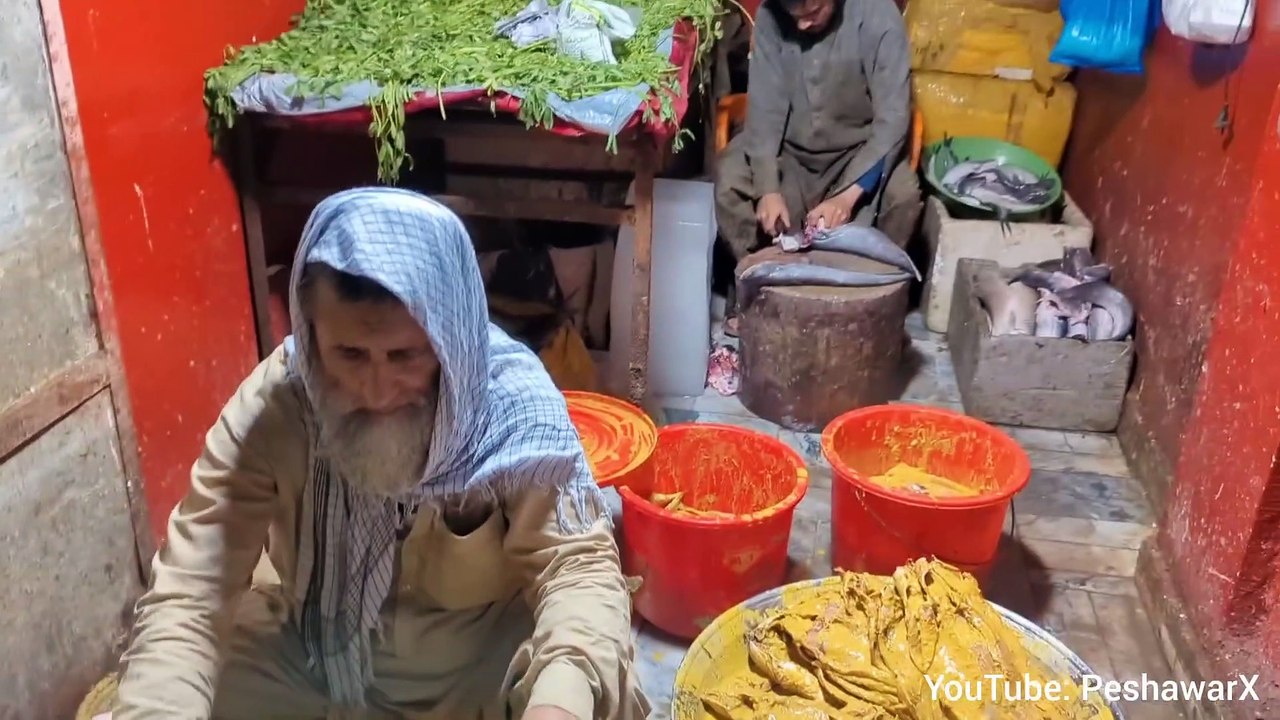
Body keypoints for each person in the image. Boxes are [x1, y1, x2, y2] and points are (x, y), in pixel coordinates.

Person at [109, 188, 650, 719]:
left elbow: (578, 571)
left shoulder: (513, 408)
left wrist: (556, 707)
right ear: (311, 333)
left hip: (472, 674)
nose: (376, 387)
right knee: (160, 689)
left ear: (450, 343)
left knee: (587, 680)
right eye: (349, 353)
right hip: (313, 658)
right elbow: (192, 589)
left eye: (404, 355)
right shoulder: (279, 405)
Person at [714, 0, 920, 335]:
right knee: (729, 178)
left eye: (813, 13)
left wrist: (846, 196)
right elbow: (764, 110)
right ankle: (760, 293)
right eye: (794, 17)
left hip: (858, 156)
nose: (802, 27)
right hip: (791, 155)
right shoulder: (771, 17)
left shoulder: (878, 15)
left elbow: (894, 118)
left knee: (904, 196)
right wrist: (768, 188)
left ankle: (862, 307)